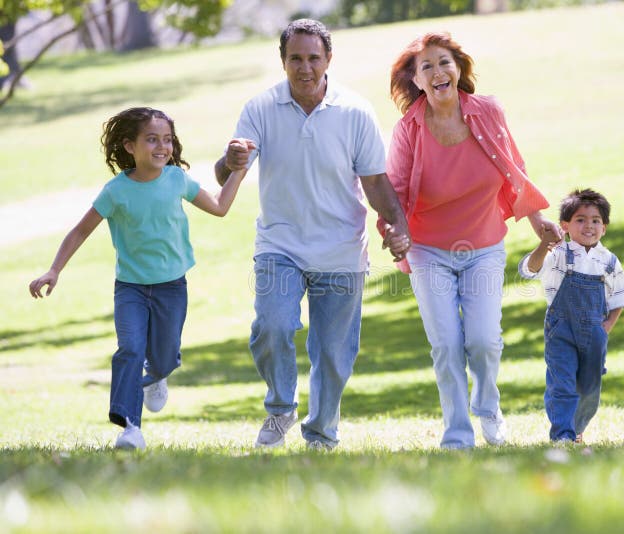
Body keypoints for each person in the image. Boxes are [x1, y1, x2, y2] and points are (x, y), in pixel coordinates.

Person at [215, 19, 410, 451]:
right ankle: (281, 406)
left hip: (341, 247)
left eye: (313, 58)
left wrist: (397, 225)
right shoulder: (261, 107)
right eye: (295, 59)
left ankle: (321, 432)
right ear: (283, 61)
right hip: (280, 244)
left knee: (335, 353)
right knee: (272, 325)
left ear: (329, 60)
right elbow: (228, 167)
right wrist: (229, 161)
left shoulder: (355, 110)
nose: (305, 68)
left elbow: (376, 182)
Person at [29, 107, 252, 450]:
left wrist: (239, 170)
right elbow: (79, 231)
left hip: (172, 287)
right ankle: (130, 426)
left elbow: (221, 207)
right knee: (130, 349)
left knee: (163, 358)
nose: (162, 147)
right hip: (131, 289)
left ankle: (157, 375)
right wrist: (54, 269)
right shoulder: (115, 192)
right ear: (130, 146)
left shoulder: (176, 179)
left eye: (167, 140)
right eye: (151, 139)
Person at [384, 32, 561, 449]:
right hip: (429, 250)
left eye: (444, 62)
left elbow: (513, 166)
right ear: (417, 80)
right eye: (426, 66)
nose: (437, 71)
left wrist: (537, 220)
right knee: (446, 345)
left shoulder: (487, 111)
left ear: (458, 68)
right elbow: (393, 188)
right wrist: (395, 233)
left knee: (482, 341)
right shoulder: (409, 128)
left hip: (483, 246)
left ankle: (487, 406)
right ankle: (458, 434)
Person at [518, 188, 624, 443]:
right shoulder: (558, 254)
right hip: (561, 331)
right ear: (565, 226)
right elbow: (529, 270)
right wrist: (544, 244)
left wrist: (606, 327)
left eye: (595, 221)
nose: (588, 226)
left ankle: (577, 427)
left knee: (590, 387)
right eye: (580, 219)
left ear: (604, 228)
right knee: (562, 383)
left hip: (594, 332)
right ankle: (563, 434)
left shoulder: (609, 261)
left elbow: (619, 296)